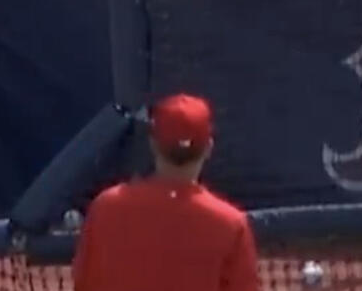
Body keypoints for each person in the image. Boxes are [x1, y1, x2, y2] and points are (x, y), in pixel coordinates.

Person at [73, 94, 259, 291]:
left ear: (153, 143)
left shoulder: (106, 208)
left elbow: (85, 284)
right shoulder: (230, 224)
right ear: (208, 148)